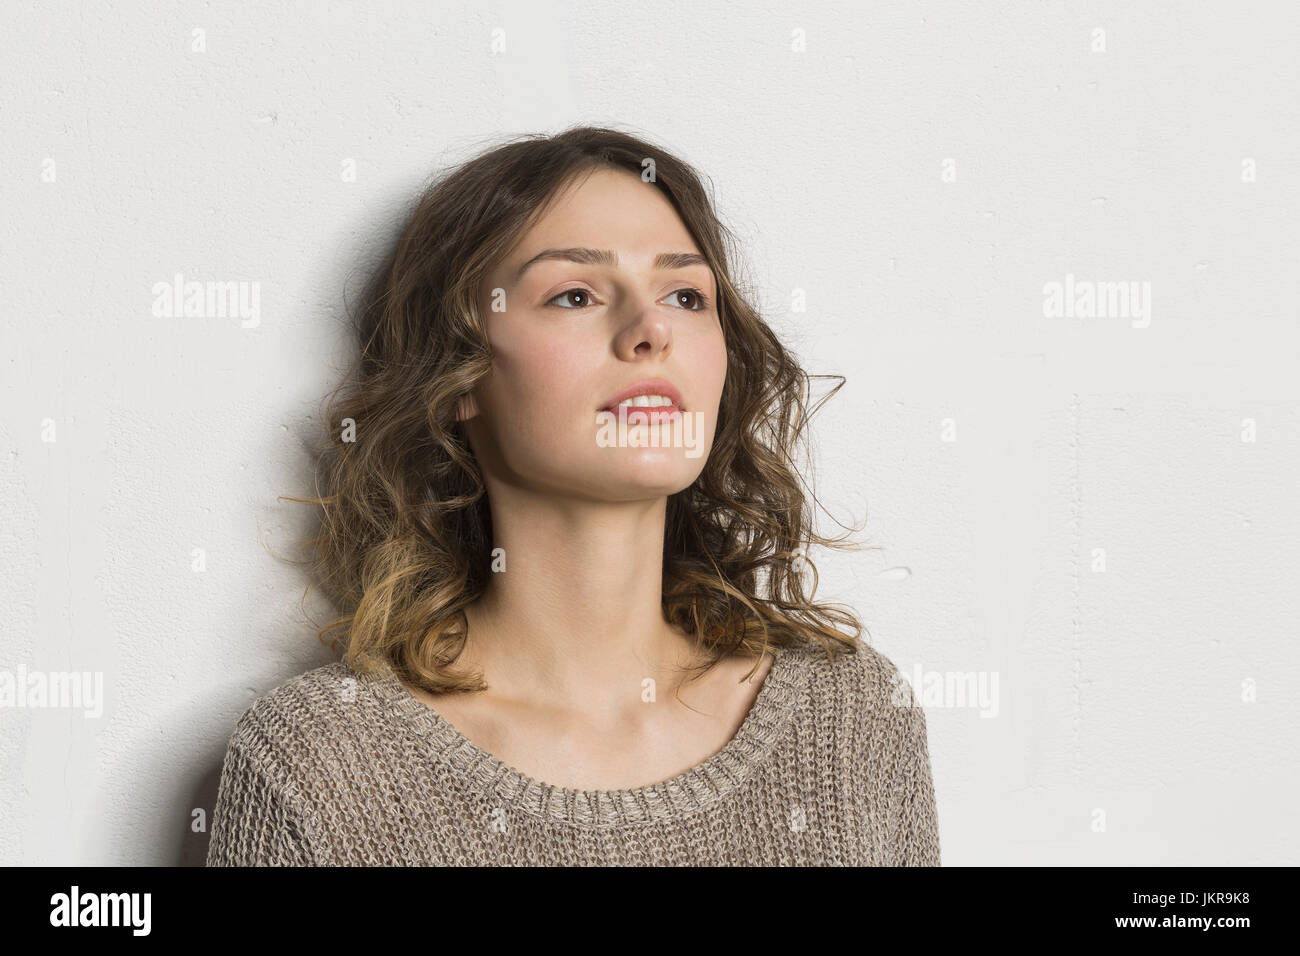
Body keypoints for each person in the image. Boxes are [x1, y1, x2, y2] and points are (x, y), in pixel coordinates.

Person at [206, 125, 940, 866]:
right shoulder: (323, 765)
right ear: (457, 375)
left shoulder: (850, 719)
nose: (651, 329)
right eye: (576, 294)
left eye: (686, 294)